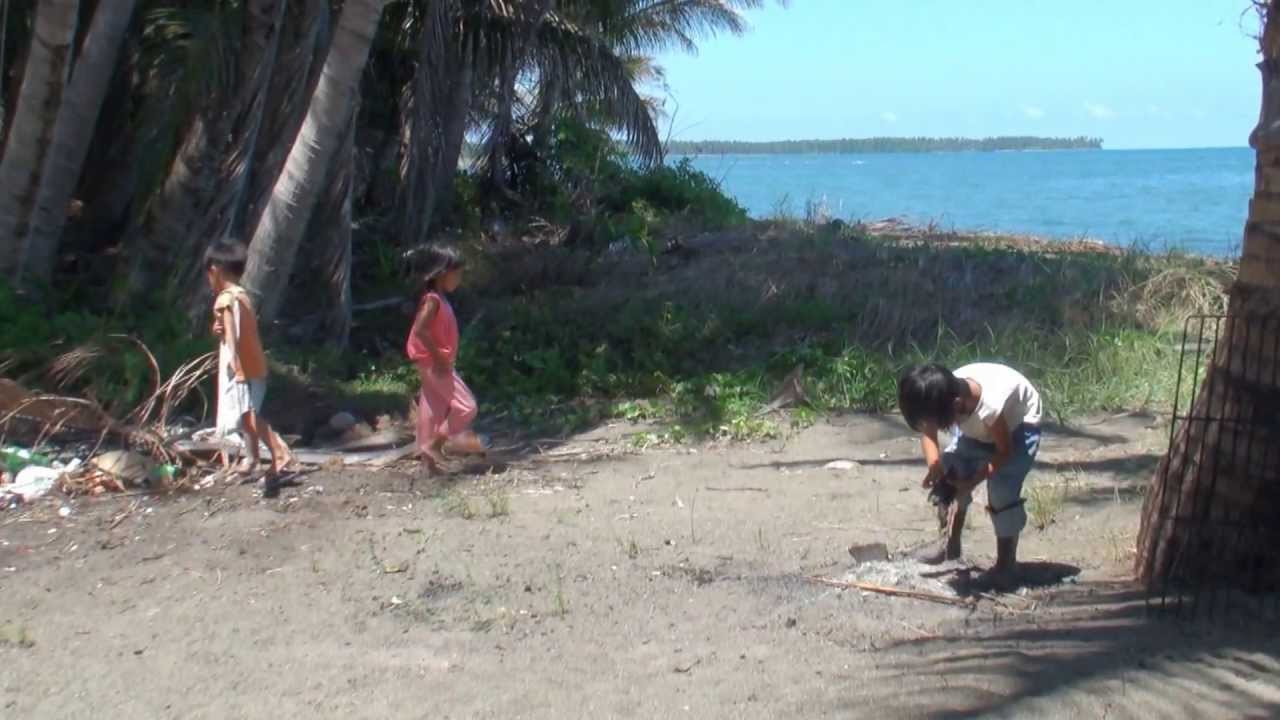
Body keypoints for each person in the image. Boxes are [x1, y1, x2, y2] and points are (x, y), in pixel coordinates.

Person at [897, 362, 1042, 587]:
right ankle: (950, 546)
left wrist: (971, 482)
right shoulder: (937, 392)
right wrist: (936, 466)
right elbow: (929, 434)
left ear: (957, 405)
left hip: (1018, 428)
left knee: (1002, 490)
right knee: (949, 474)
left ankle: (1006, 564)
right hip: (979, 429)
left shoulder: (989, 404)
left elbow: (1004, 452)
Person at [206, 239, 294, 497]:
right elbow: (235, 328)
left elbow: (232, 336)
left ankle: (280, 453)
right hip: (253, 361)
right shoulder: (241, 296)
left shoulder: (224, 299)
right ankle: (253, 459)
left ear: (215, 270)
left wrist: (235, 365)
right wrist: (218, 329)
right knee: (248, 415)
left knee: (248, 416)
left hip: (241, 366)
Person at [406, 245, 485, 472]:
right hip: (435, 364)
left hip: (430, 362)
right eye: (457, 273)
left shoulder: (438, 298)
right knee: (467, 407)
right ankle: (435, 445)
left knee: (432, 410)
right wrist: (440, 357)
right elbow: (420, 330)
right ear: (441, 273)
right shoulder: (433, 300)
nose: (459, 279)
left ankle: (428, 465)